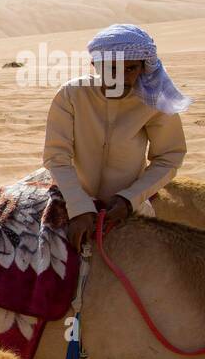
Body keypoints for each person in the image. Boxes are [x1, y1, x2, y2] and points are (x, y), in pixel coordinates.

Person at [43, 24, 189, 252]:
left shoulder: (153, 101)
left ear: (143, 68)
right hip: (71, 197)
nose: (120, 77)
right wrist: (79, 207)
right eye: (111, 69)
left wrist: (129, 199)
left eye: (130, 68)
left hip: (129, 206)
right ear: (95, 65)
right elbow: (56, 156)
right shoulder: (71, 95)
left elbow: (169, 157)